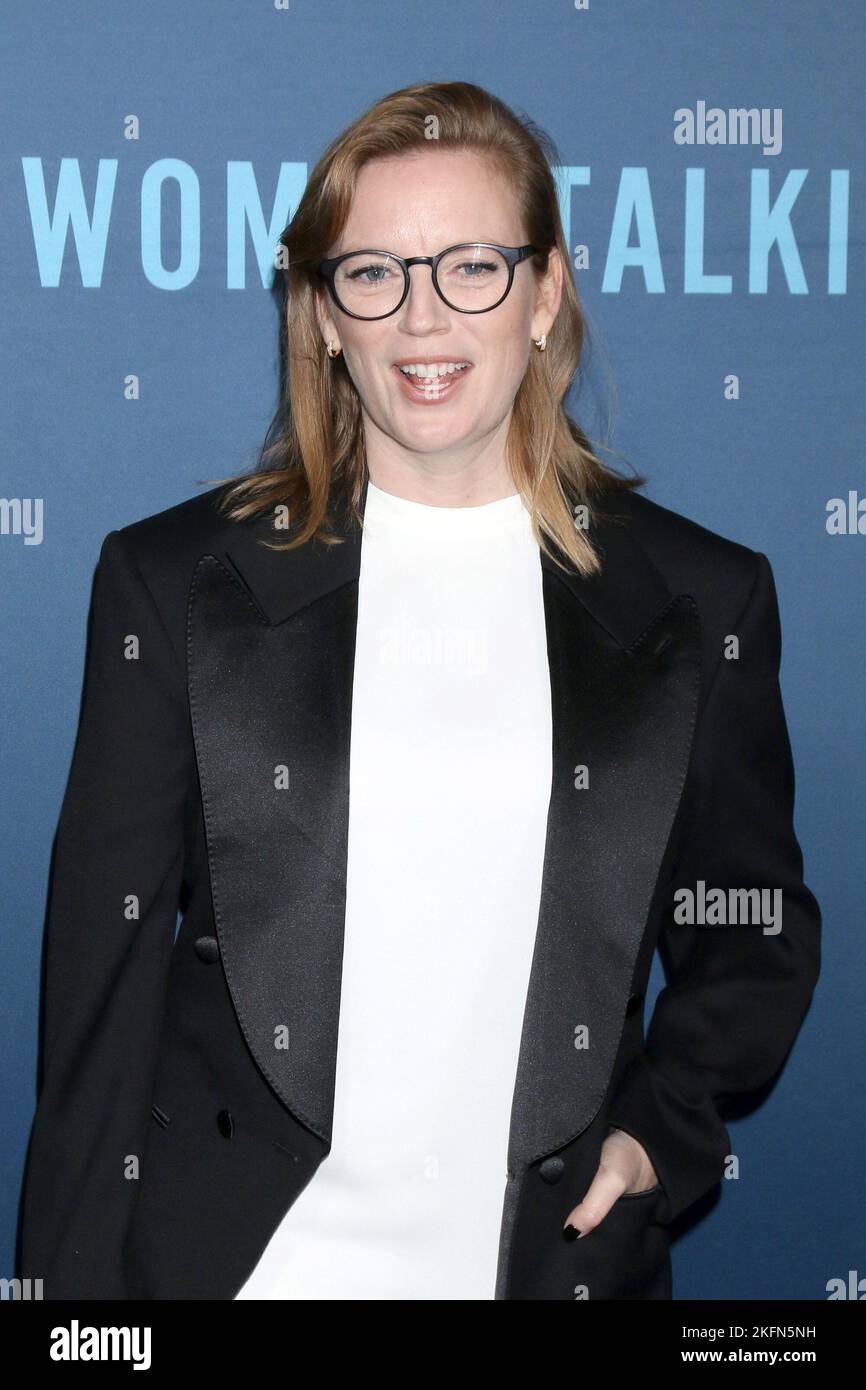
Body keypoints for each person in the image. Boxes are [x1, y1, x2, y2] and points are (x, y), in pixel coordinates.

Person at [19, 80, 821, 1301]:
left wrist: (658, 1130)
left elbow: (750, 930)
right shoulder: (173, 584)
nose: (420, 318)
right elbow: (98, 1004)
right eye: (374, 273)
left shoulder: (699, 601)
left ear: (545, 294)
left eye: (471, 268)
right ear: (324, 314)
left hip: (538, 1272)